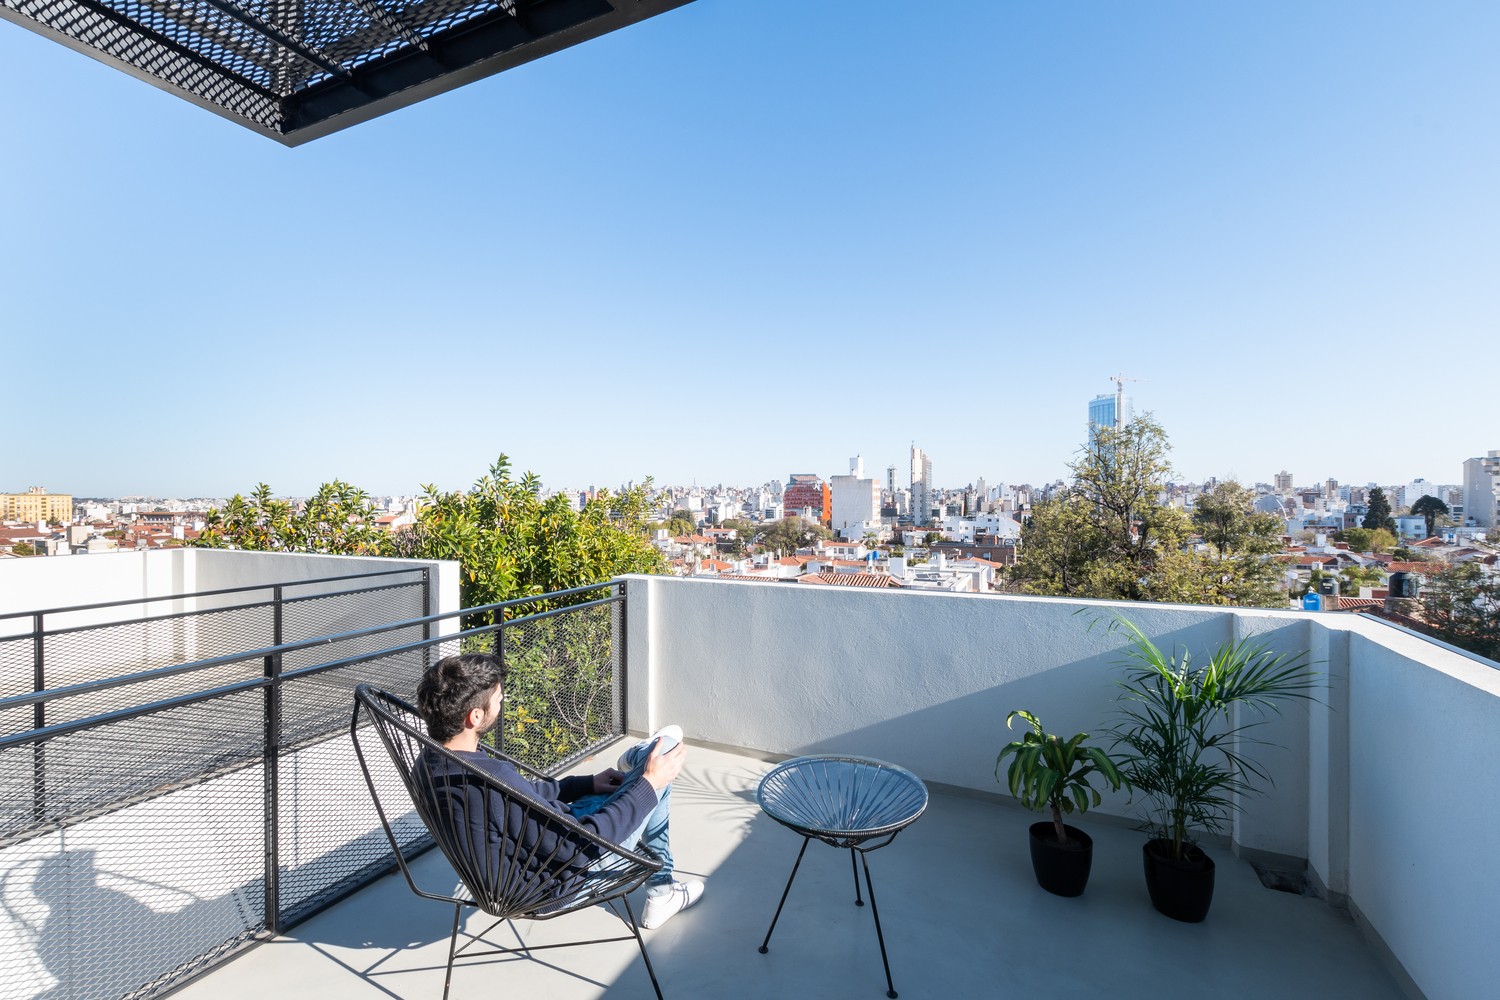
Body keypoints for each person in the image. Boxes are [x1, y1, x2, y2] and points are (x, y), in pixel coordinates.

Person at [413, 652, 704, 929]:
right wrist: (648, 785)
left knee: (651, 767)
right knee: (664, 756)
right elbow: (577, 847)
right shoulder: (491, 780)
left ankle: (640, 763)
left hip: (524, 868)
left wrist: (585, 784)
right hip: (556, 880)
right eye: (499, 699)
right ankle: (662, 892)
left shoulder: (432, 763)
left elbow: (520, 798)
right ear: (475, 717)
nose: (502, 704)